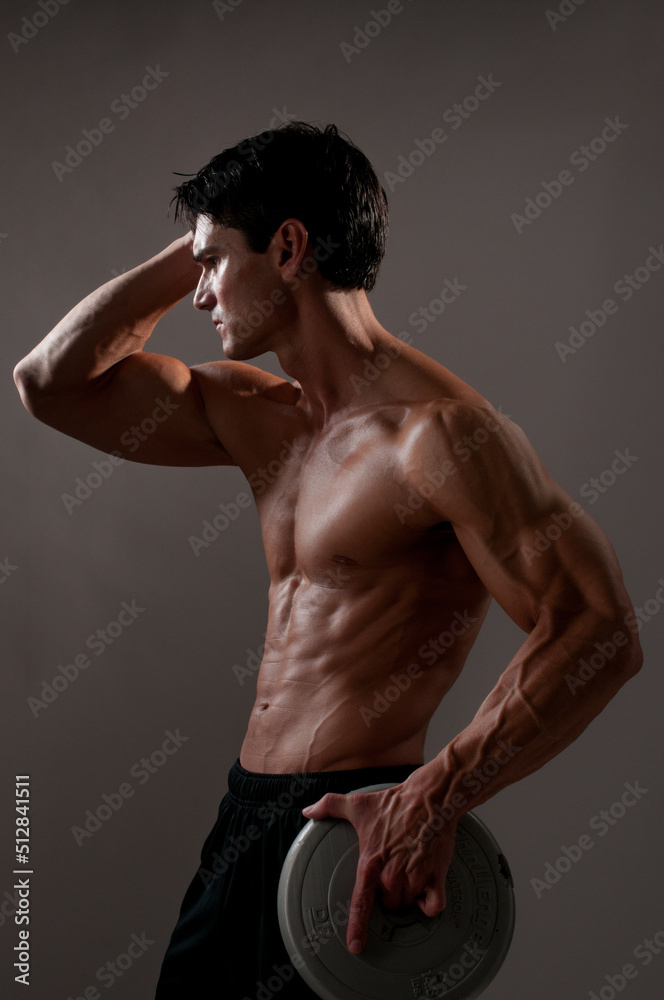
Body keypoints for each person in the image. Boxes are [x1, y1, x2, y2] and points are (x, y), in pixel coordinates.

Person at [13, 121, 643, 998]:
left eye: (210, 267)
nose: (198, 296)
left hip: (356, 827)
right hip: (246, 814)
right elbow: (49, 383)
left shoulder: (439, 436)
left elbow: (600, 630)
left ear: (290, 247)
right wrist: (203, 238)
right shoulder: (259, 415)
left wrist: (436, 796)